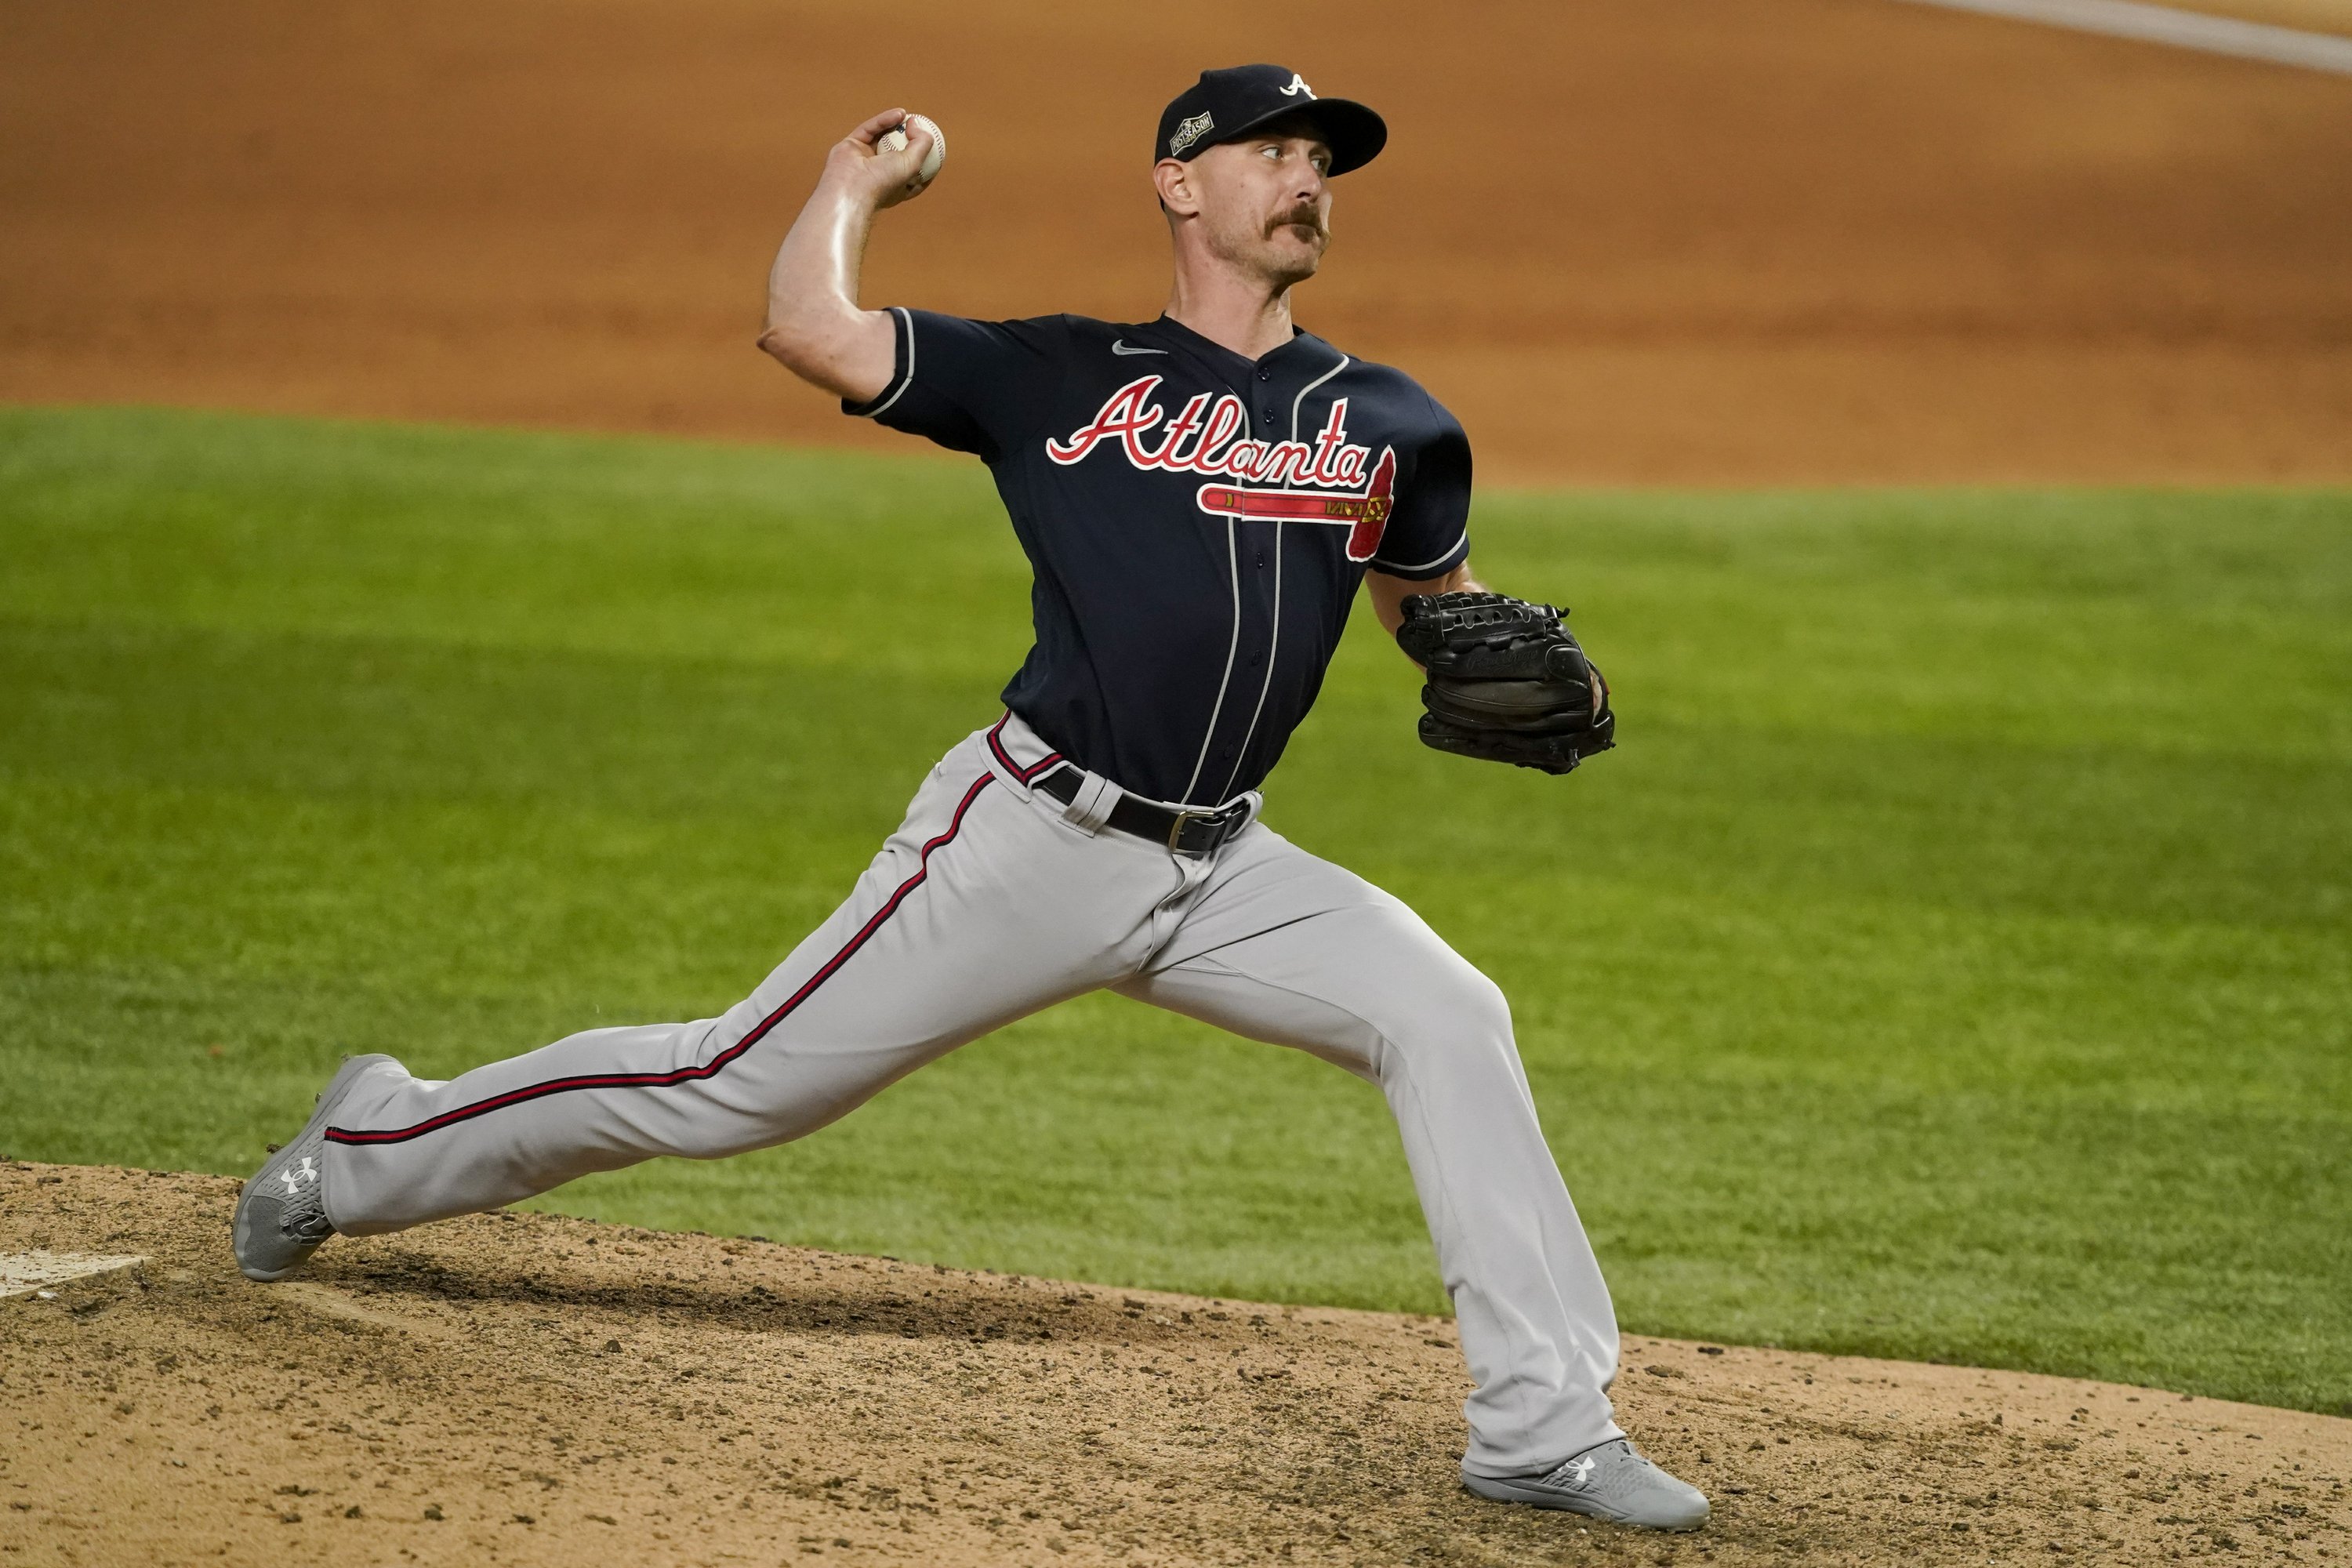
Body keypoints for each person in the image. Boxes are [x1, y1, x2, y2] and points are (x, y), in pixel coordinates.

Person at [231, 64, 1707, 1533]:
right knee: (730, 1083)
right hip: (1030, 844)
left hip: (1226, 870)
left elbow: (1429, 611)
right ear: (1180, 182)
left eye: (1322, 158)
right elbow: (810, 330)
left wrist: (1511, 660)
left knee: (1449, 1015)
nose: (1307, 179)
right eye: (1273, 152)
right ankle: (365, 1143)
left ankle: (1541, 1429)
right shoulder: (1063, 372)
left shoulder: (1391, 419)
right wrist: (851, 186)